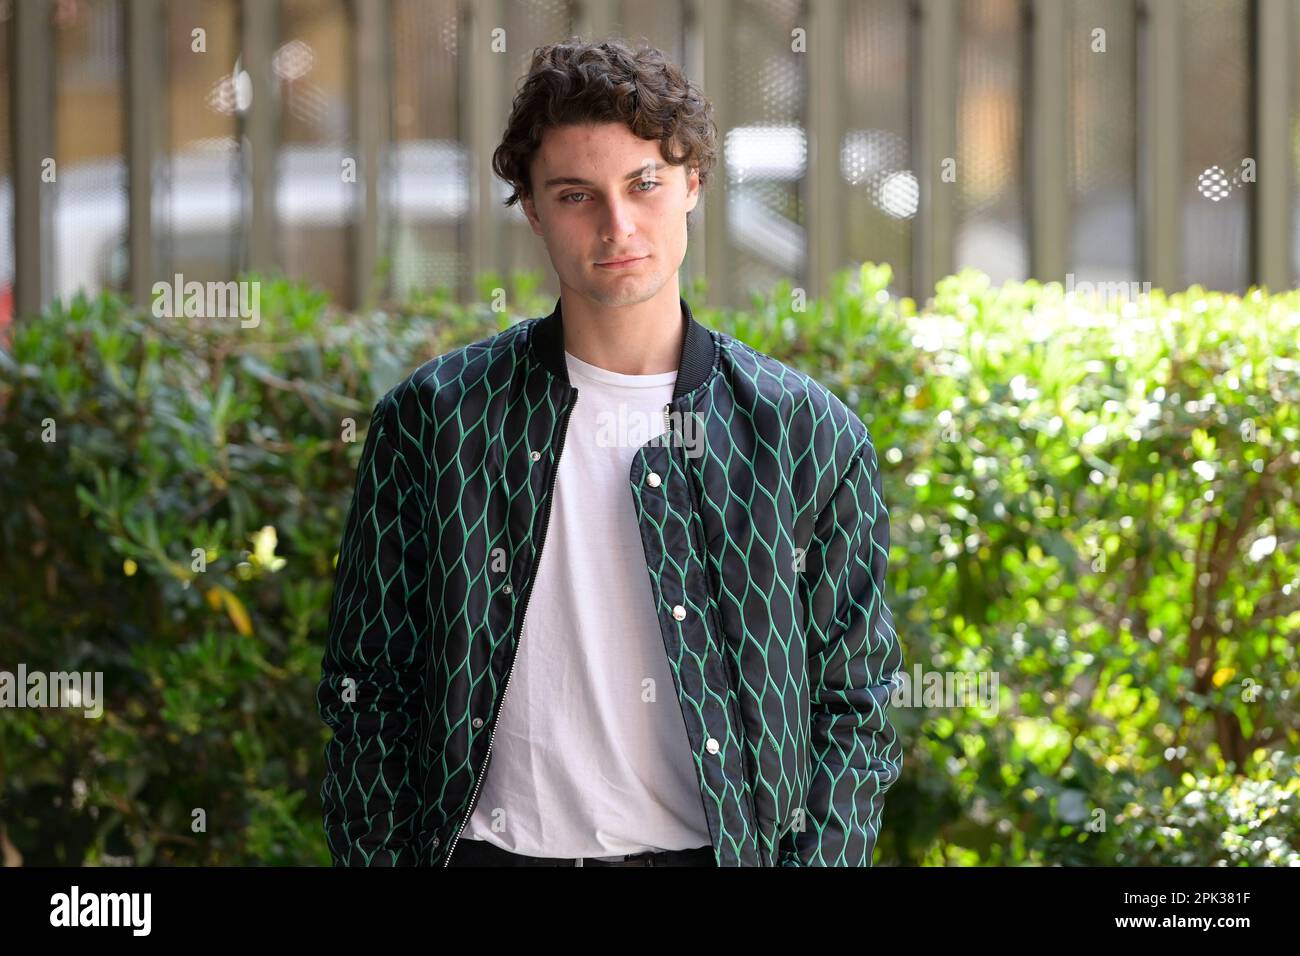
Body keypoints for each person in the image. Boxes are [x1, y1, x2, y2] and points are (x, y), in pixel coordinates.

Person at [317, 36, 903, 868]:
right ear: (531, 207)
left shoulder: (804, 434)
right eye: (575, 195)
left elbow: (856, 703)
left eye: (645, 185)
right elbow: (367, 689)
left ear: (694, 183)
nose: (618, 225)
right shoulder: (436, 421)